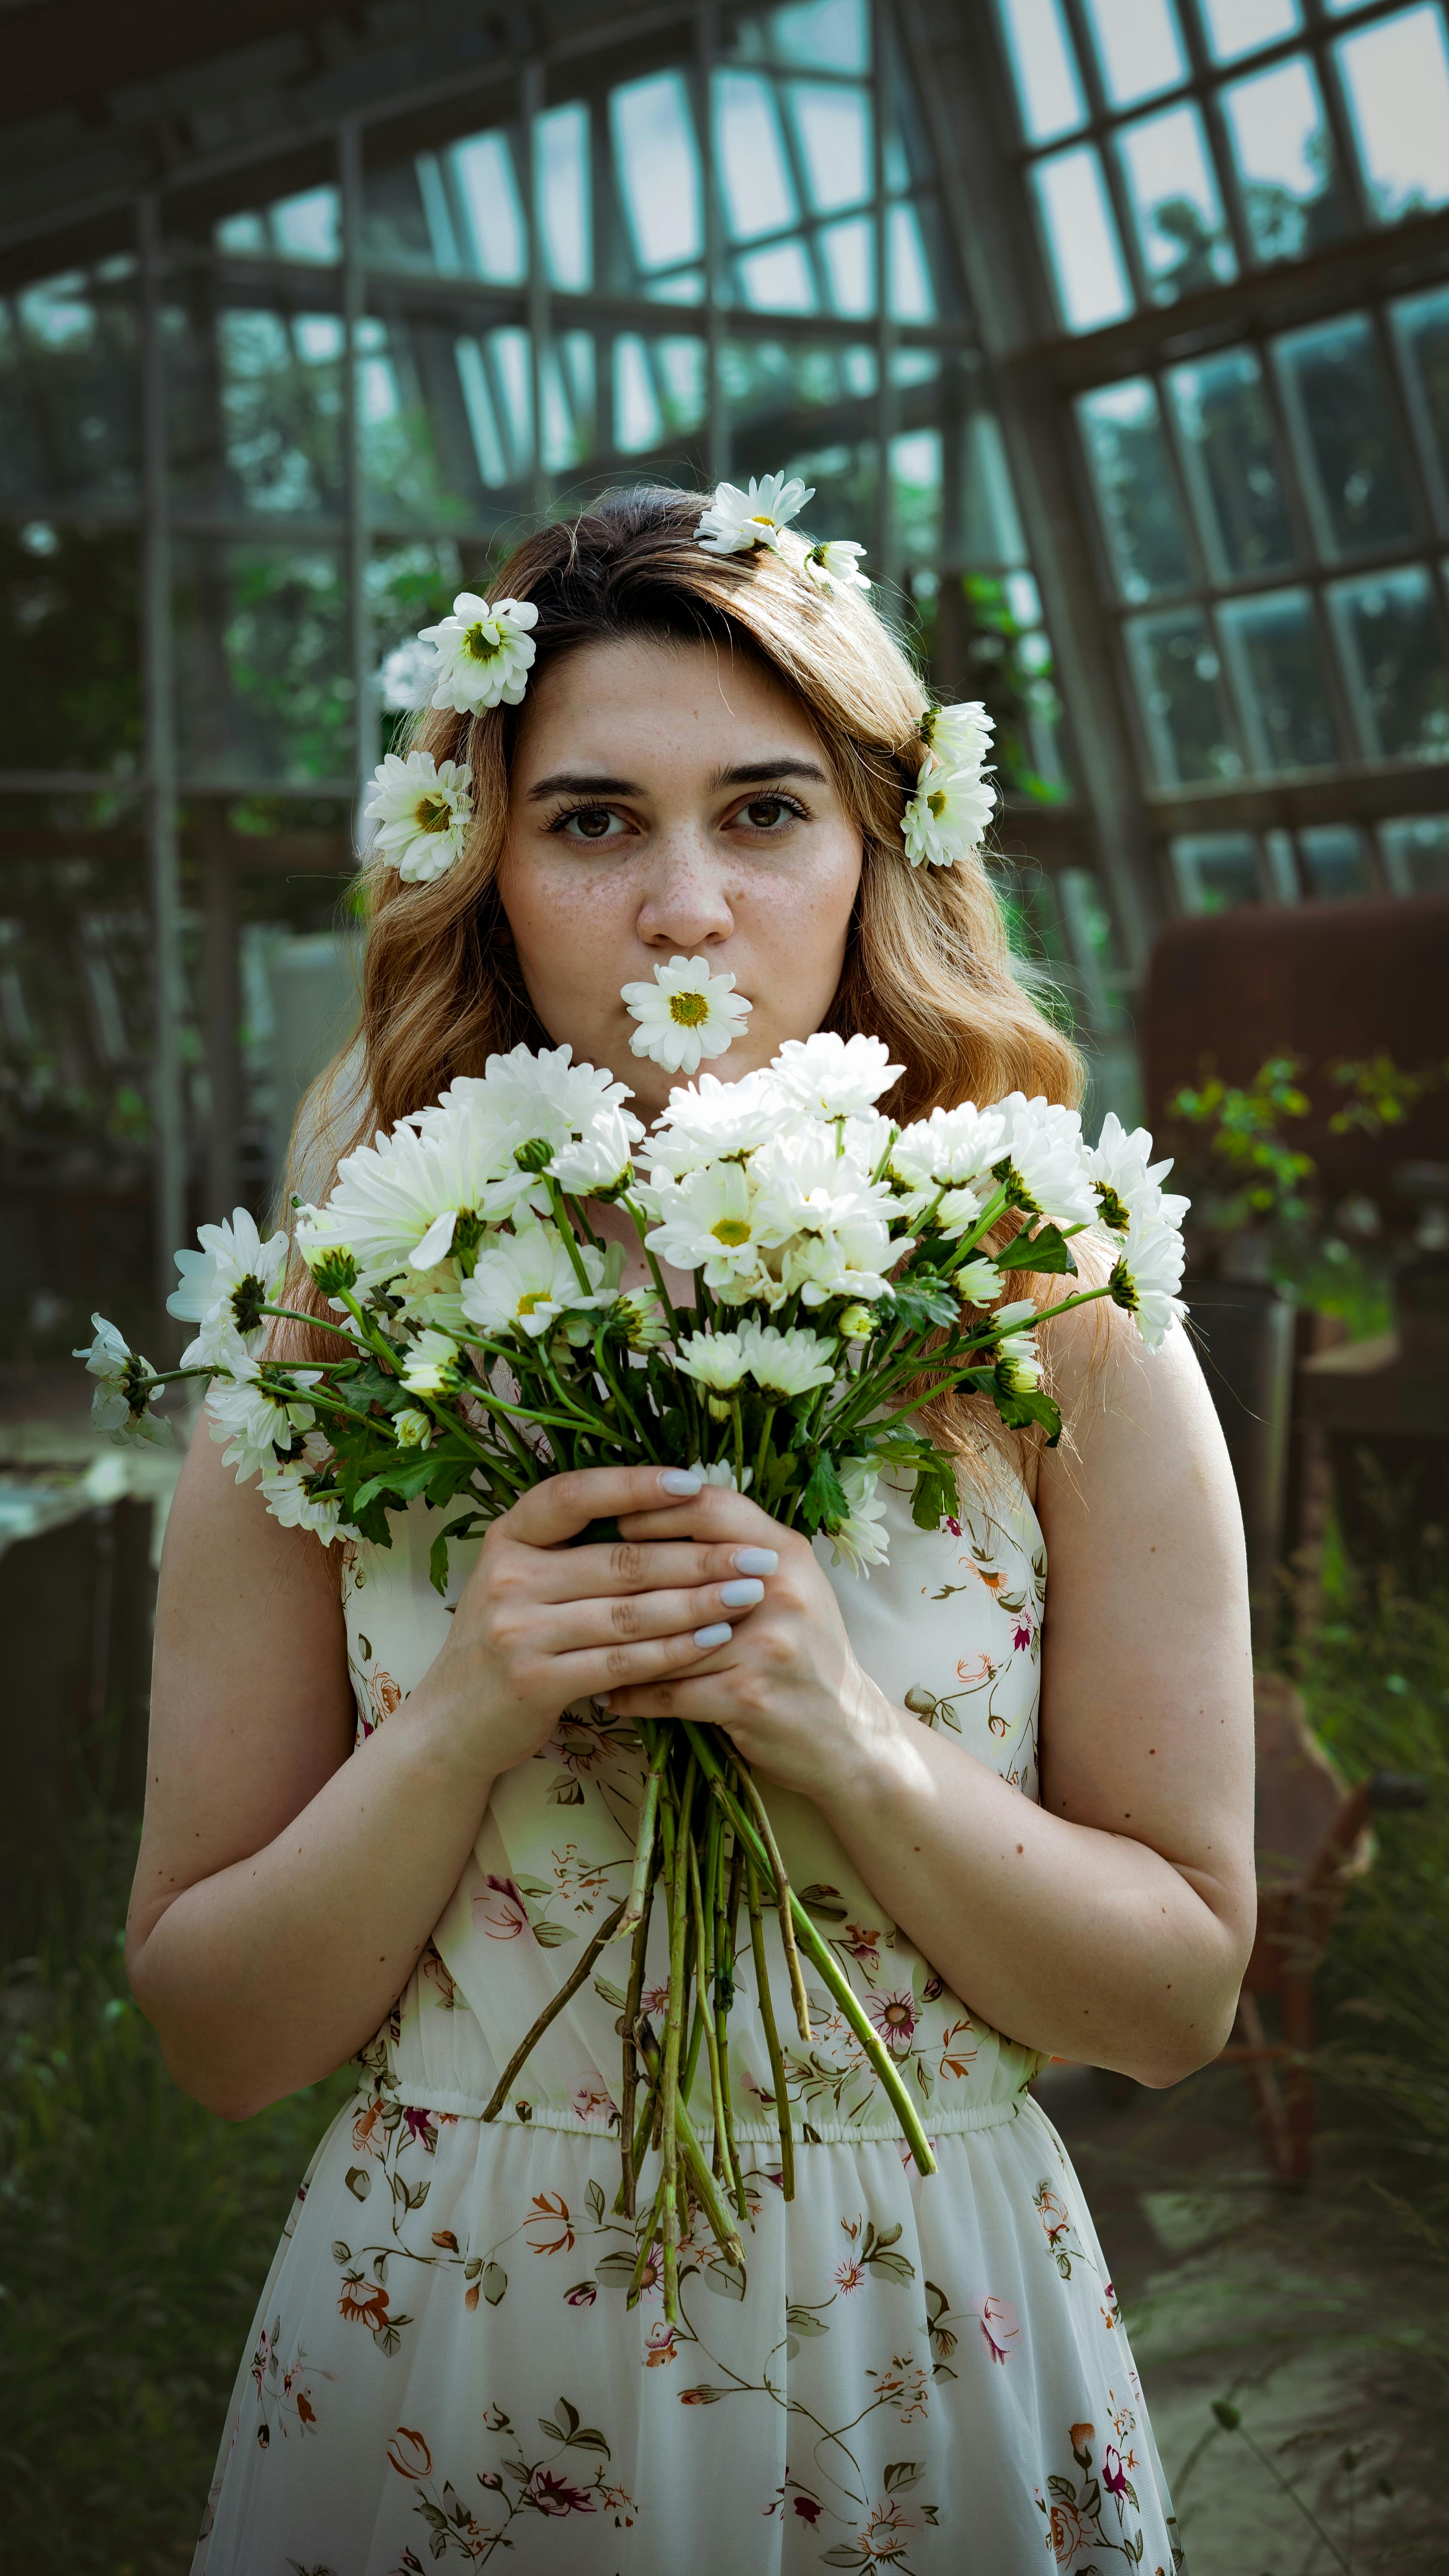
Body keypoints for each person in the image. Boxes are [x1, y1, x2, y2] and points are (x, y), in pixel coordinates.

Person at [127, 486, 1254, 2574]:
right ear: (488, 871)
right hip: (449, 2341)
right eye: (589, 823)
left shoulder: (1055, 1328)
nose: (680, 908)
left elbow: (1177, 2003)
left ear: (876, 850)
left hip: (919, 2325)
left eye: (761, 812)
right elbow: (213, 2031)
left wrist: (845, 1736)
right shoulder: (332, 1345)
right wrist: (465, 1713)